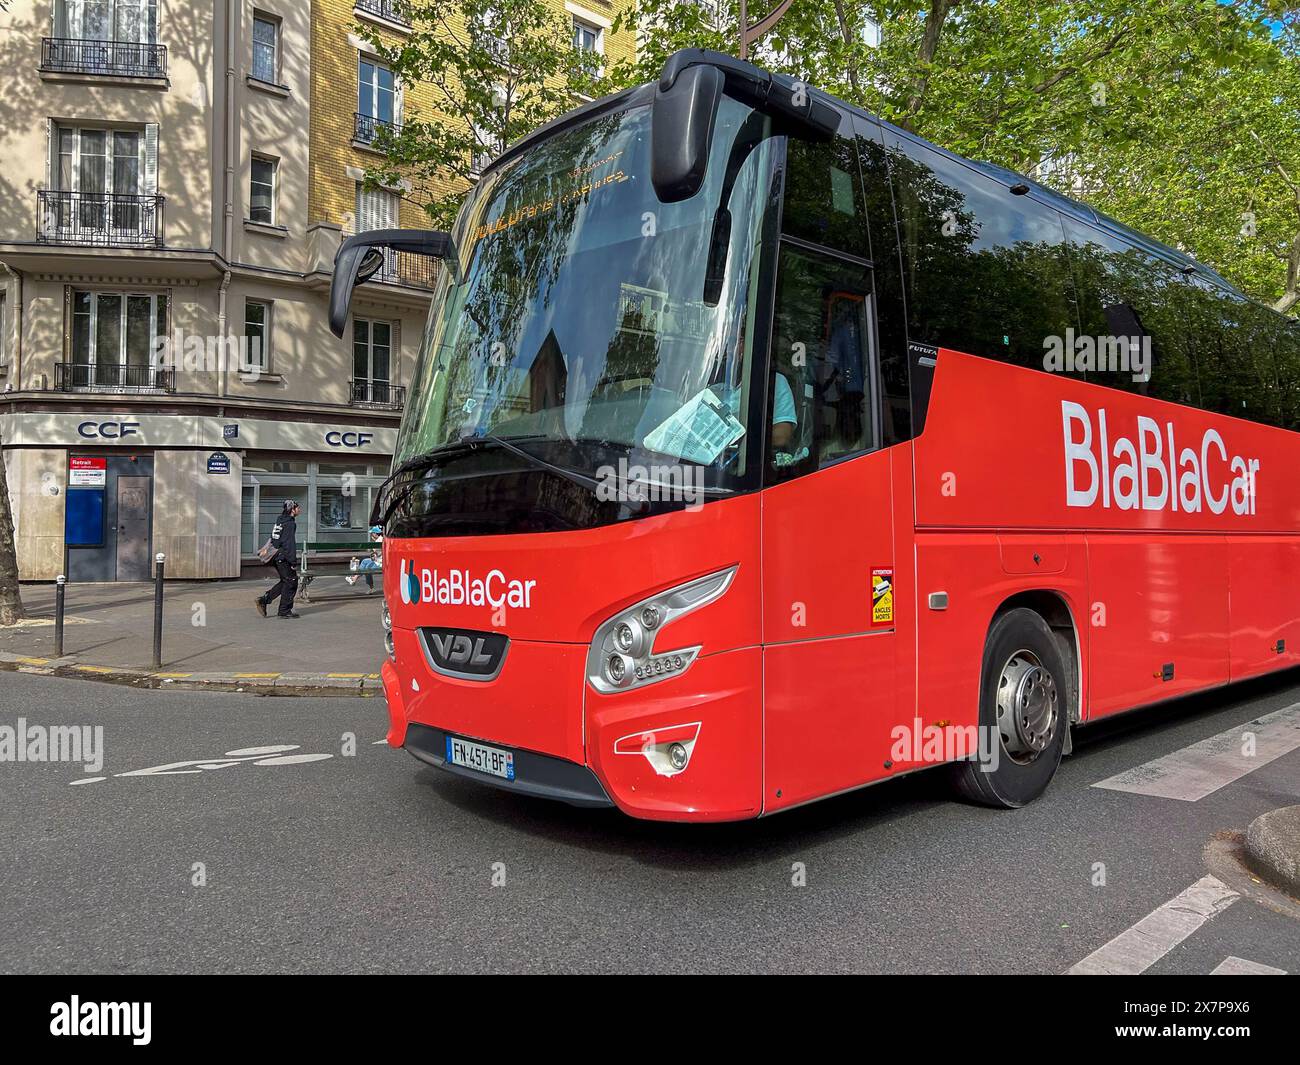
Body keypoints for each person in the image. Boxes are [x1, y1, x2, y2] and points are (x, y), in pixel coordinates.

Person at [255, 499, 302, 619]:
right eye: (297, 507)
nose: (299, 509)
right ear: (292, 510)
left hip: (276, 556)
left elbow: (274, 538)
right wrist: (293, 562)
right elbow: (289, 543)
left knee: (286, 581)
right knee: (291, 581)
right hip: (283, 556)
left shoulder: (280, 521)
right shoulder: (290, 524)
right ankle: (283, 611)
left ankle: (265, 600)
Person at [346, 525, 383, 591]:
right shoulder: (381, 539)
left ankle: (355, 579)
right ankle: (354, 578)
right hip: (379, 561)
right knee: (364, 561)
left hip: (380, 563)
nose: (371, 535)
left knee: (367, 569)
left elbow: (375, 556)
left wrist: (374, 545)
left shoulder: (378, 541)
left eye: (372, 533)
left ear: (375, 534)